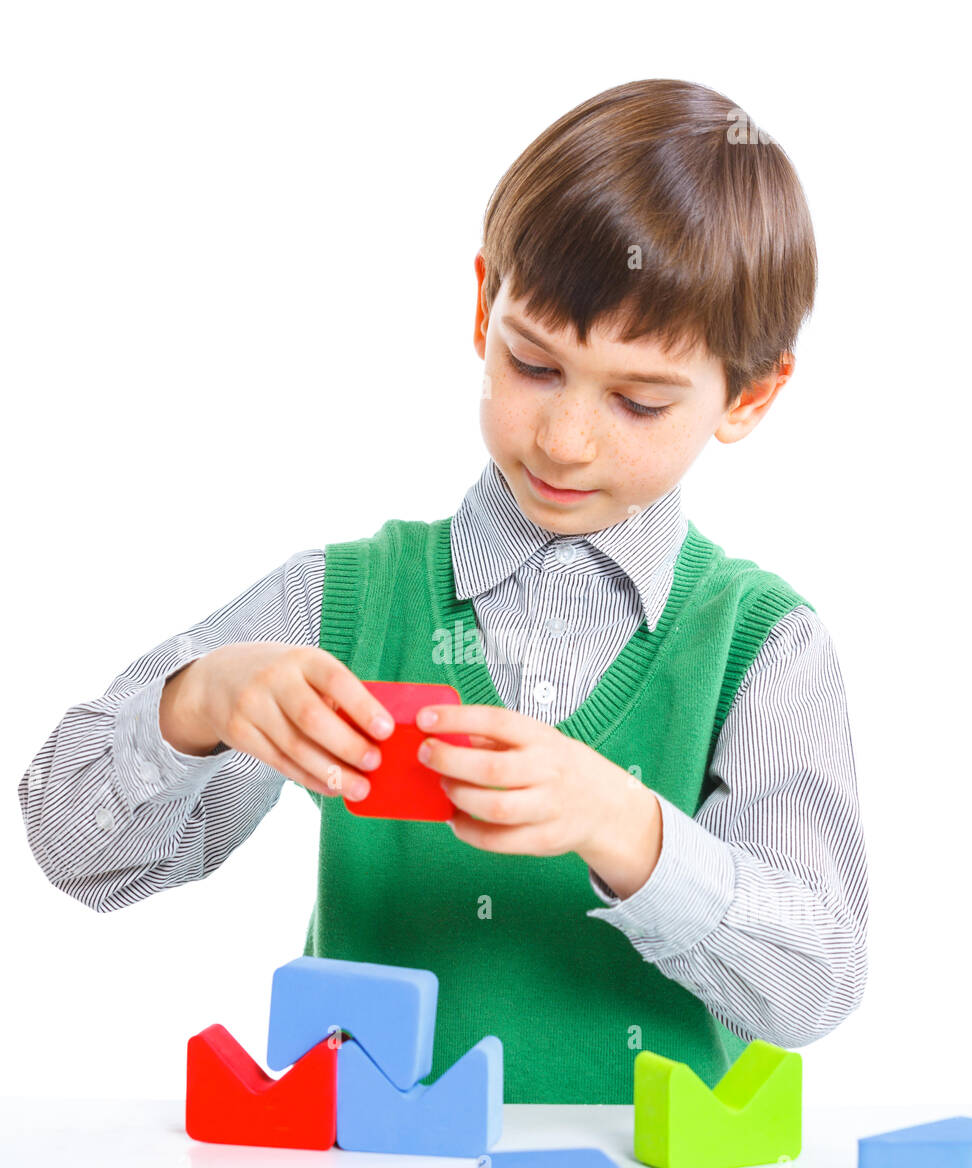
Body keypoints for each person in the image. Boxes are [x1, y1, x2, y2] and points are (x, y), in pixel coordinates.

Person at [17, 79, 868, 1103]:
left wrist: (628, 829)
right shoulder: (337, 604)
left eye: (639, 401)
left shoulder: (761, 645)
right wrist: (196, 704)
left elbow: (815, 985)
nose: (563, 439)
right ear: (483, 309)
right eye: (533, 365)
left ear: (752, 394)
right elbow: (72, 848)